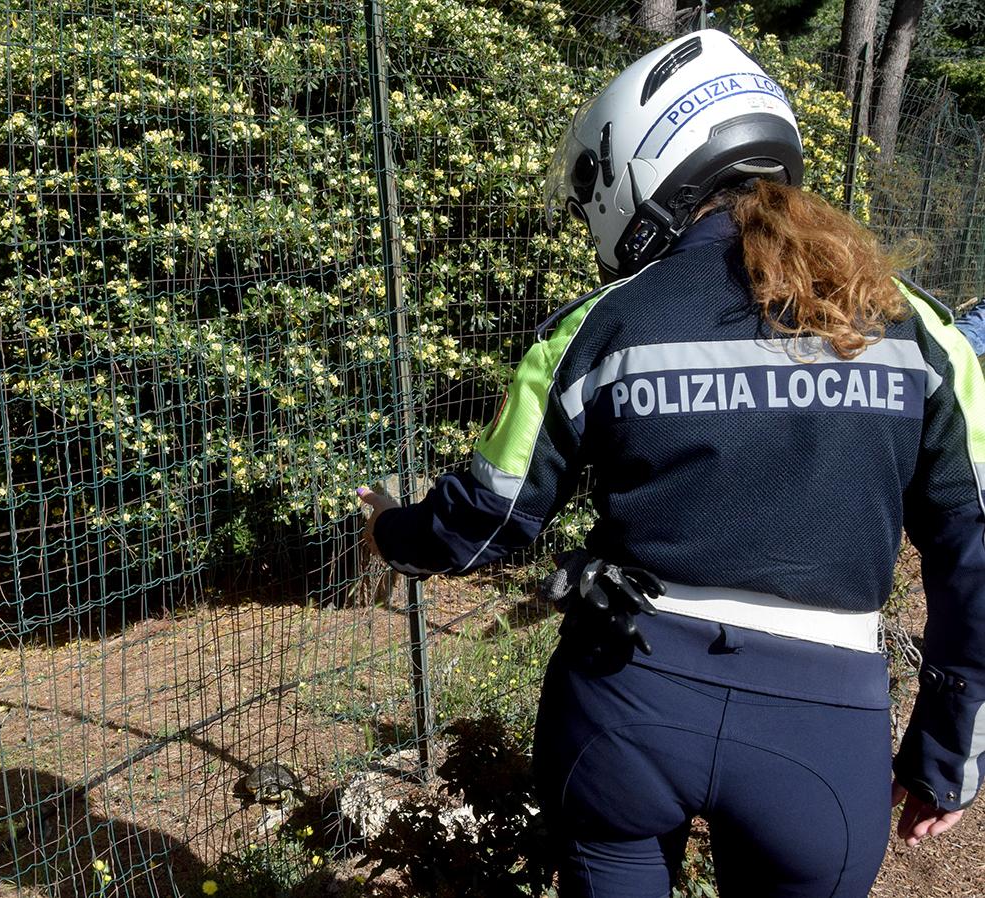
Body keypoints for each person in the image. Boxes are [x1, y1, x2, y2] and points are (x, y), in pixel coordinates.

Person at [359, 29, 980, 898]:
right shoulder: (919, 330)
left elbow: (489, 522)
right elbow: (972, 554)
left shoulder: (599, 324)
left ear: (640, 165)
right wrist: (946, 753)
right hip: (822, 728)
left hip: (625, 703)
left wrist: (388, 529)